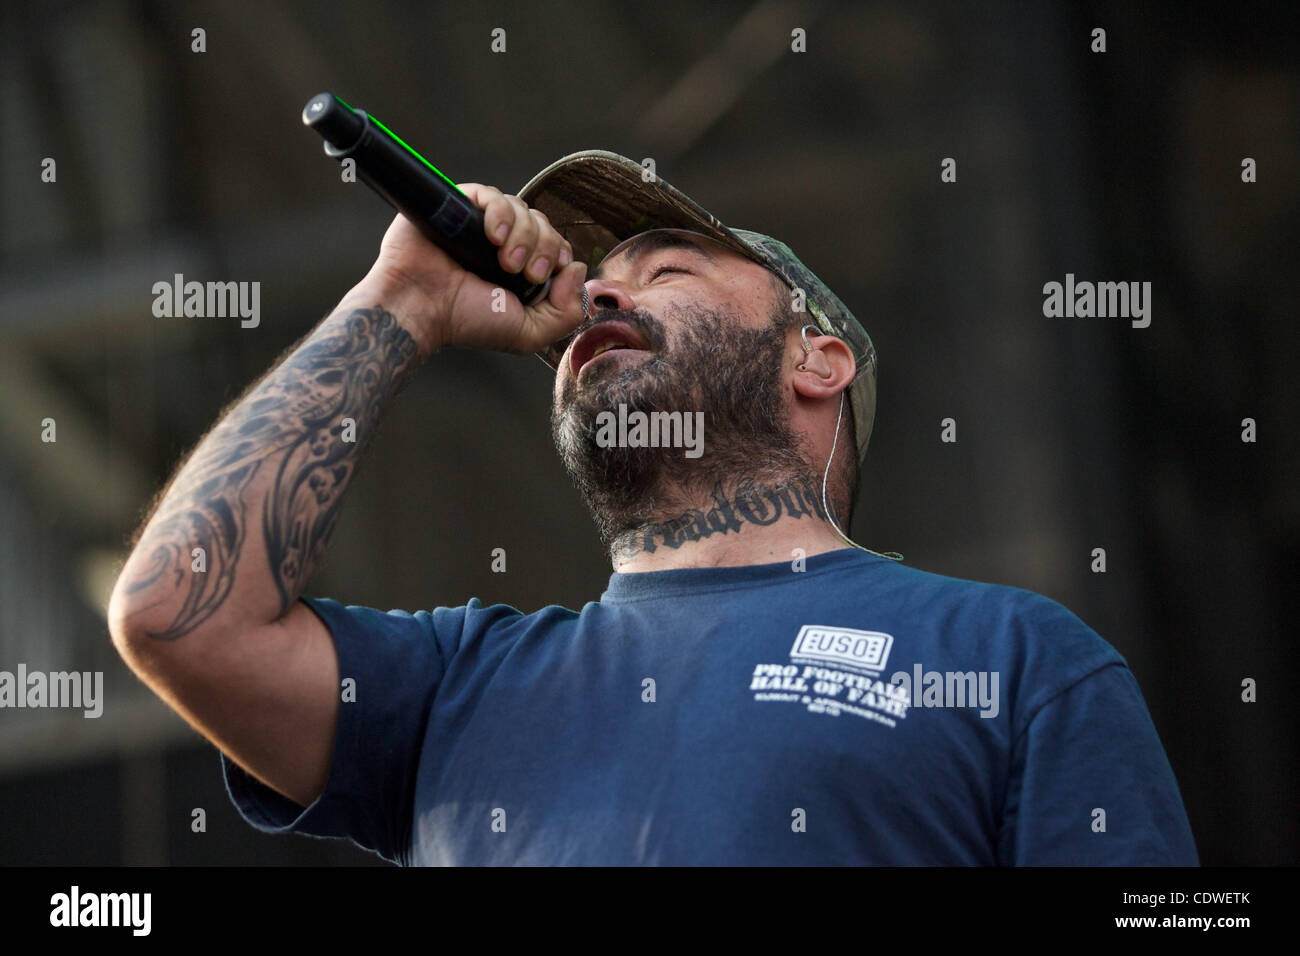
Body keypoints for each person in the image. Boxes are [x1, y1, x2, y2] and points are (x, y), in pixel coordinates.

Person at [108, 150, 1198, 865]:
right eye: (591, 289)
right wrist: (402, 301)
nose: (598, 295)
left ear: (813, 360)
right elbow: (177, 618)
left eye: (663, 269)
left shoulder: (1012, 656)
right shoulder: (458, 683)